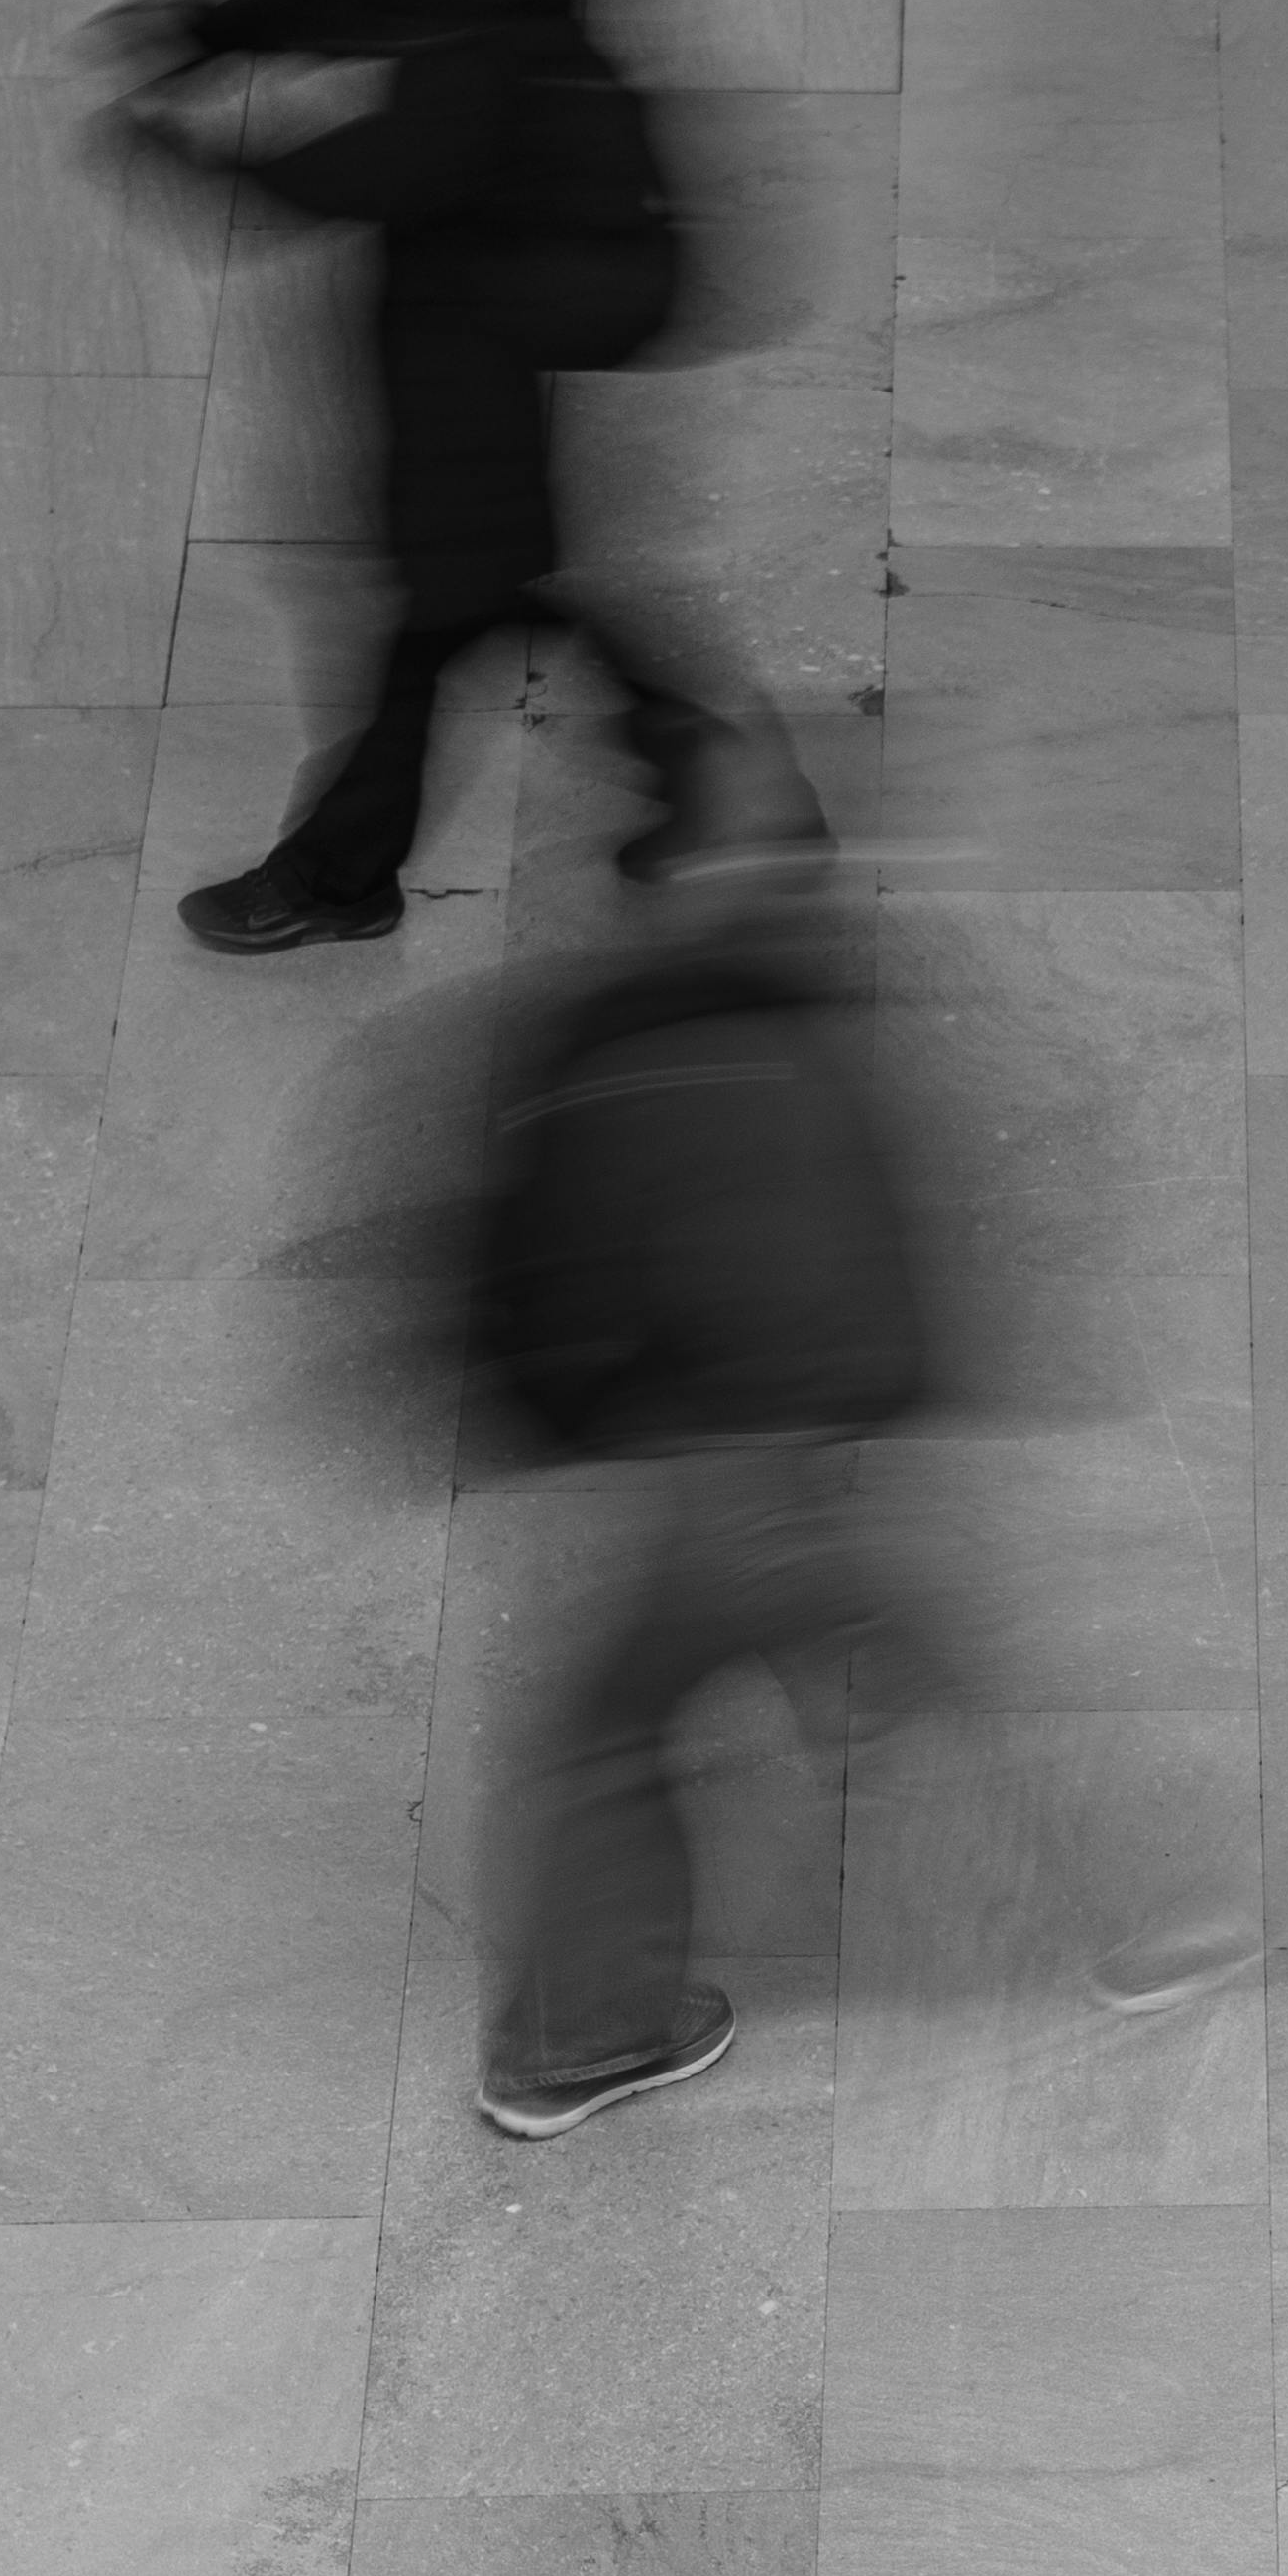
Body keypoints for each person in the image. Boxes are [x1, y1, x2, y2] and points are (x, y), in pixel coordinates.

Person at [94, 0, 803, 956]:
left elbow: (364, 171)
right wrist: (218, 29)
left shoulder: (491, 45)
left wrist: (185, 153)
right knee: (491, 599)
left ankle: (339, 877)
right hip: (472, 343)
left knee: (440, 614)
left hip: (468, 360)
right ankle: (700, 773)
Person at [462, 857, 932, 2137]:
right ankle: (581, 2035)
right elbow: (870, 1304)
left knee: (615, 1726)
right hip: (758, 1460)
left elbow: (539, 1285)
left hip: (704, 1463)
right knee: (838, 1649)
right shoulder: (789, 1072)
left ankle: (580, 2034)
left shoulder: (608, 1052)